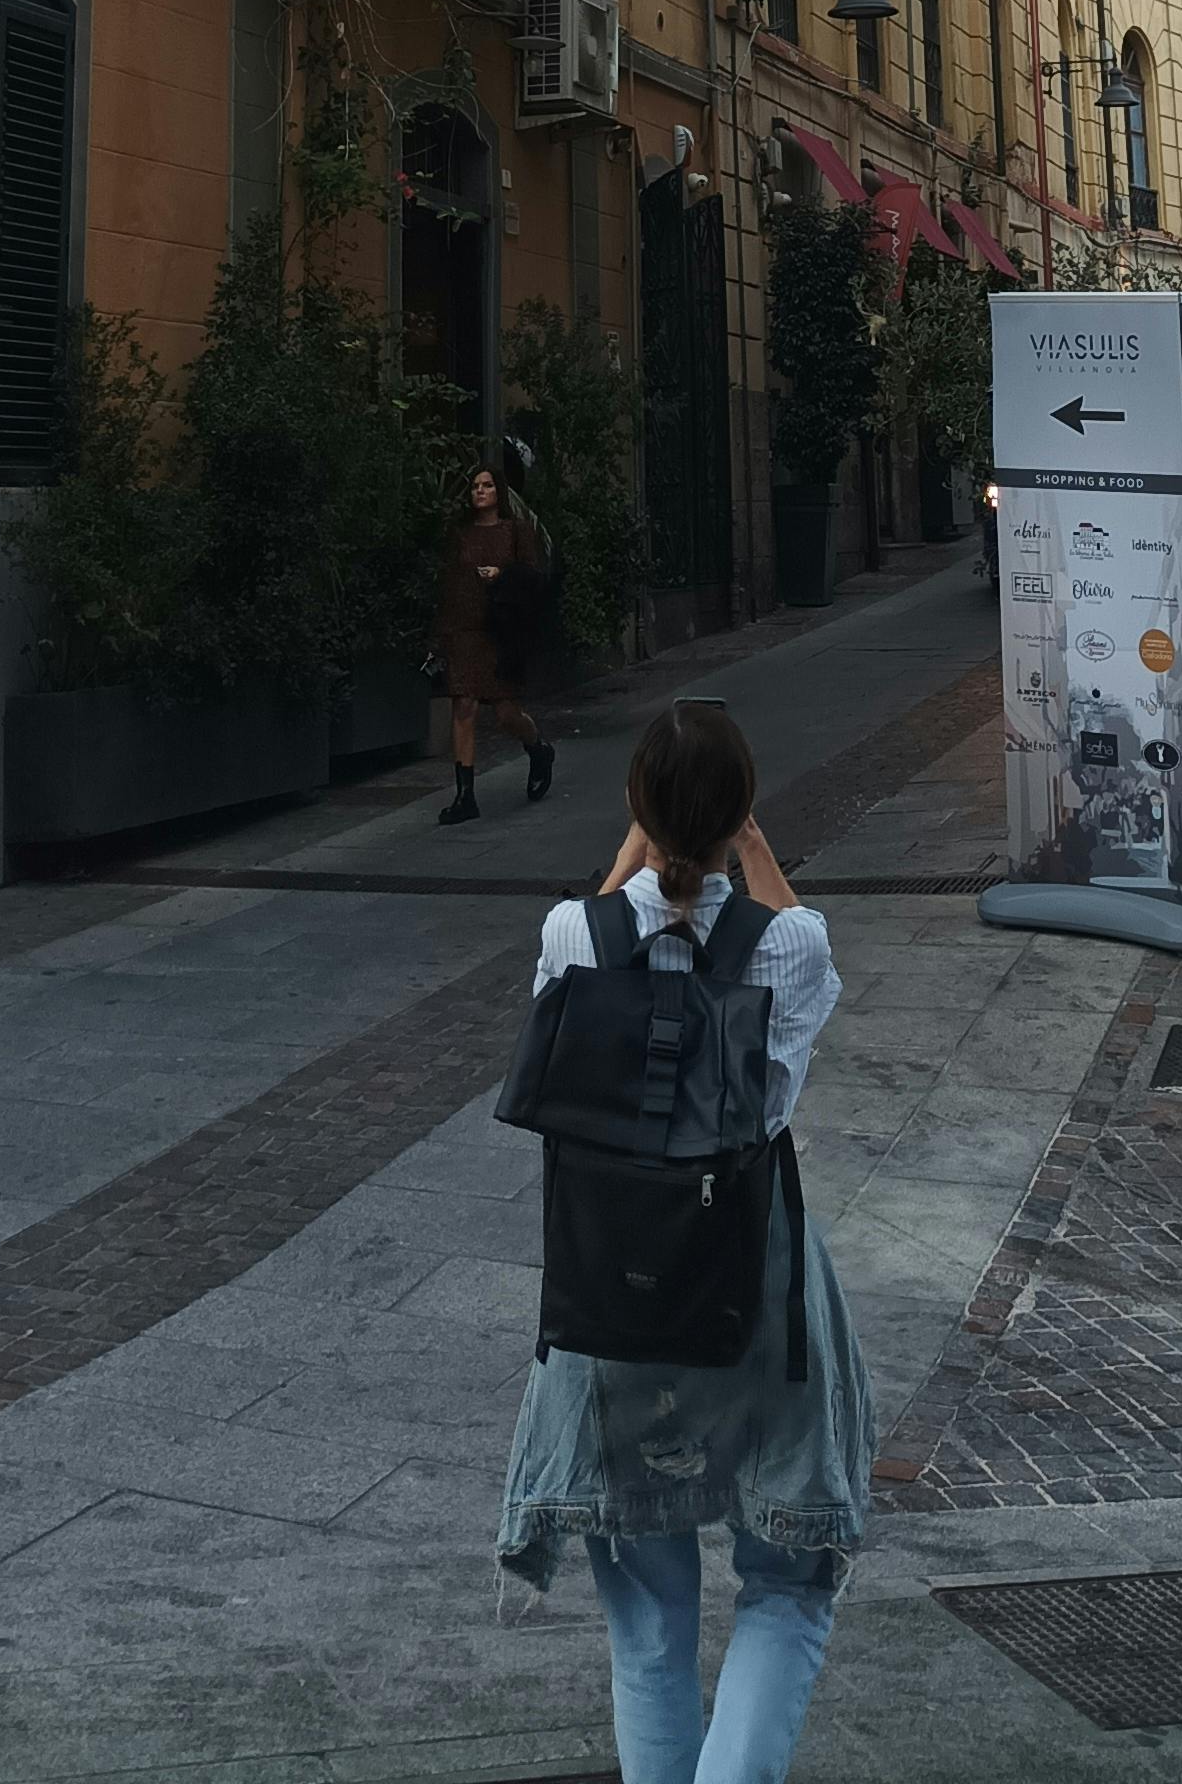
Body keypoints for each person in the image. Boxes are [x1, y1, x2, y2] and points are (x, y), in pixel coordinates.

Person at [498, 700, 874, 1783]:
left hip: (610, 1289)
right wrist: (746, 846)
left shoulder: (575, 935)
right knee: (788, 1581)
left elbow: (604, 918)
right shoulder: (786, 944)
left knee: (648, 1614)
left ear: (636, 808)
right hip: (750, 1282)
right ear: (740, 814)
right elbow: (818, 974)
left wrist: (641, 844)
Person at [437, 460, 554, 826]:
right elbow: (450, 584)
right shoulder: (461, 534)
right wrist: (441, 634)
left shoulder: (515, 530)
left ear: (498, 492)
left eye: (486, 485)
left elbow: (534, 577)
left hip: (502, 632)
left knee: (506, 714)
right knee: (464, 707)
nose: (479, 492)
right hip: (465, 631)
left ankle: (538, 749)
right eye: (474, 486)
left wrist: (503, 575)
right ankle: (465, 795)